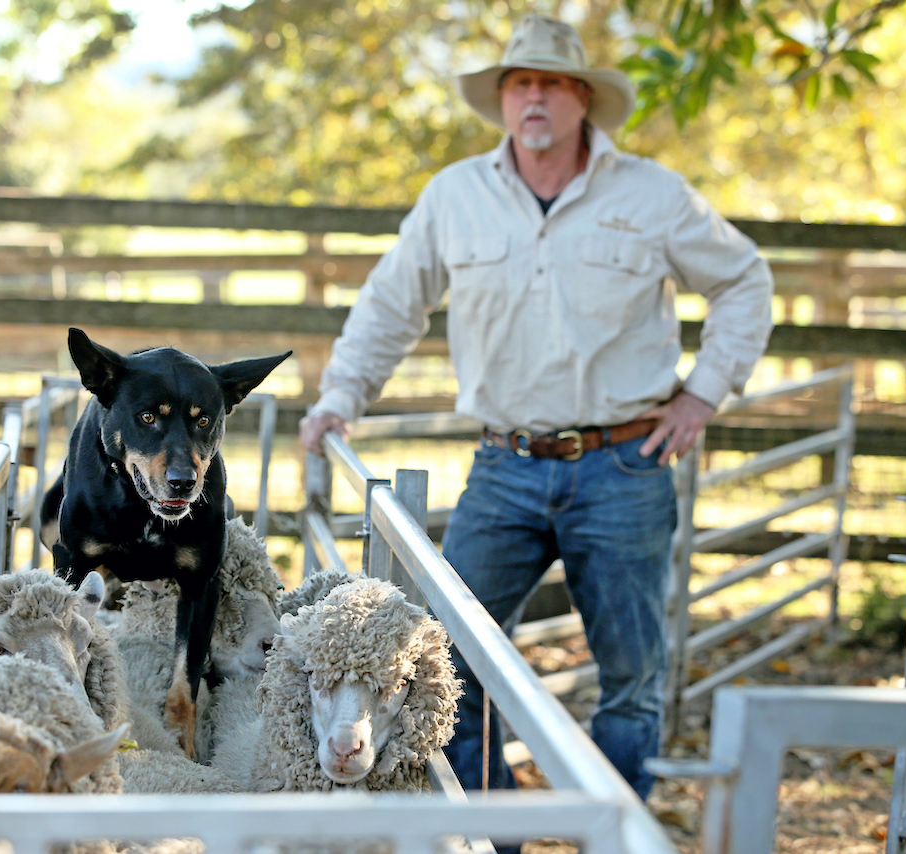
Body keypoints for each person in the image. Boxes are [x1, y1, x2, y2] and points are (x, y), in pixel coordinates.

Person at [298, 13, 774, 802]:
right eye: (521, 83)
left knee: (631, 674)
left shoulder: (651, 194)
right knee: (451, 658)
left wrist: (702, 394)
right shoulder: (456, 196)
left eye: (552, 83)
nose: (535, 97)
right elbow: (391, 304)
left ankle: (615, 834)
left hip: (625, 466)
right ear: (503, 100)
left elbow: (745, 280)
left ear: (583, 98)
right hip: (505, 465)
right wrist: (340, 397)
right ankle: (501, 835)